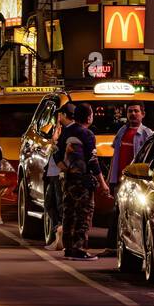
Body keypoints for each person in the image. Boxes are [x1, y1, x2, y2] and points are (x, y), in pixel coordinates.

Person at [56, 103, 102, 260]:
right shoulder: (87, 134)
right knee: (83, 213)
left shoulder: (66, 131)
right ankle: (80, 248)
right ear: (89, 117)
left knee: (69, 212)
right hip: (83, 180)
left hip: (69, 179)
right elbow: (92, 160)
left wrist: (64, 168)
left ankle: (68, 247)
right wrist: (102, 182)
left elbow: (56, 153)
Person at [107, 102, 151, 248]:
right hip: (121, 181)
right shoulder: (122, 132)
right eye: (130, 111)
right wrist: (111, 179)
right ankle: (113, 246)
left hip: (137, 183)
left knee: (136, 215)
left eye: (136, 111)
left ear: (143, 114)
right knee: (117, 214)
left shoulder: (147, 134)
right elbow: (115, 157)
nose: (133, 114)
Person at [44, 103, 76, 247]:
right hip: (53, 172)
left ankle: (61, 239)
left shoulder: (70, 131)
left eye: (60, 114)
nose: (58, 117)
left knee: (60, 204)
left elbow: (63, 151)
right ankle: (58, 231)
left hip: (59, 172)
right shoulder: (61, 130)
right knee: (49, 203)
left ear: (64, 115)